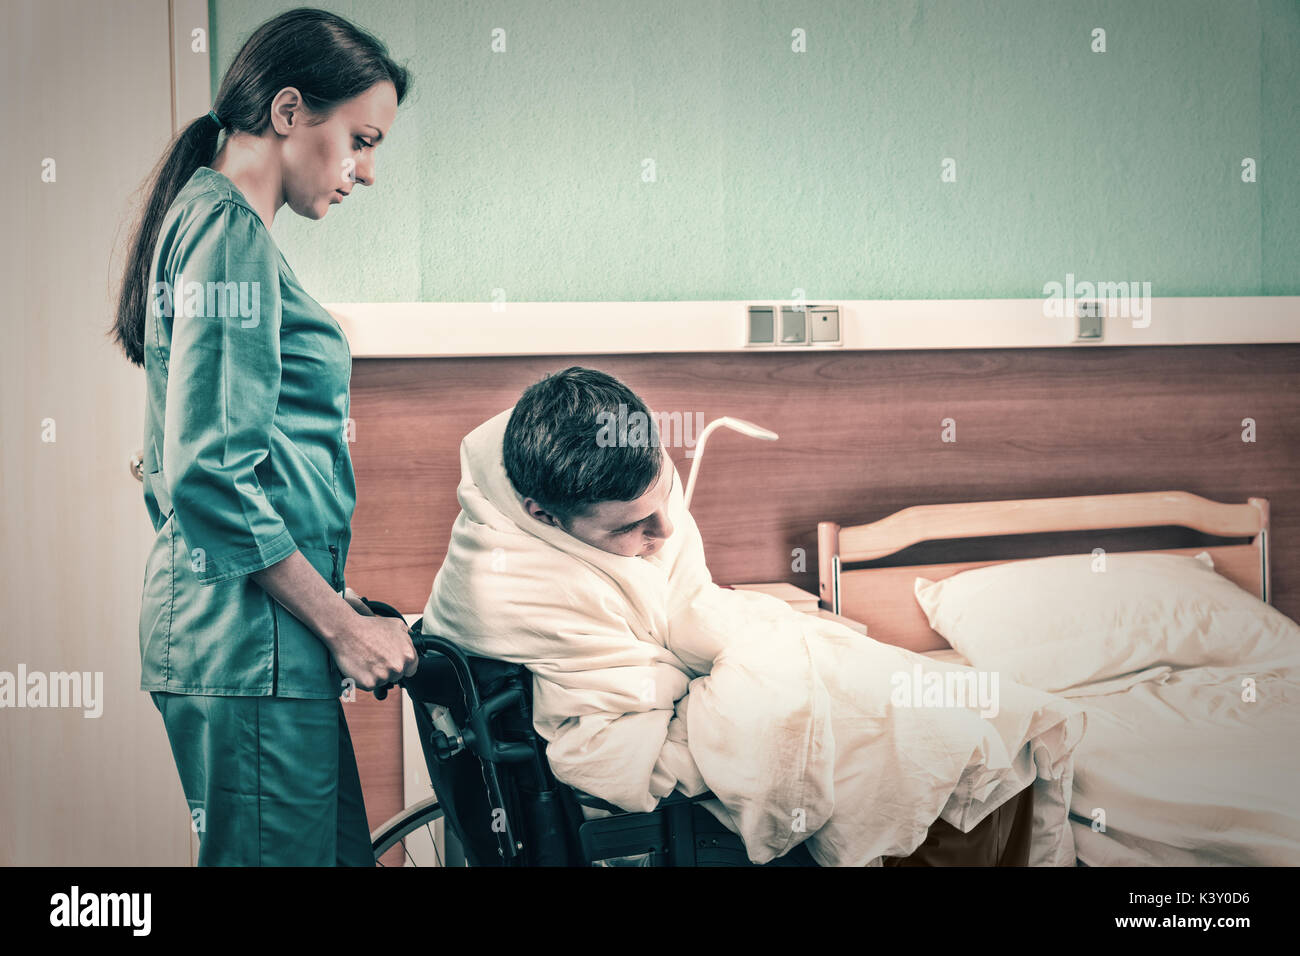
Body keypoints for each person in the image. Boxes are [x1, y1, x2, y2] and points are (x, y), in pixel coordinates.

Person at [423, 367, 1084, 866]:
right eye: (632, 527)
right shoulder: (513, 584)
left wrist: (742, 642)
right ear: (542, 515)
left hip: (695, 684)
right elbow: (617, 750)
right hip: (652, 750)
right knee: (948, 752)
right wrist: (751, 673)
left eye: (666, 497)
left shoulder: (594, 493)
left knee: (982, 720)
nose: (666, 530)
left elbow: (683, 601)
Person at [112, 8, 418, 866]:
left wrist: (325, 608)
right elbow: (208, 475)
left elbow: (190, 474)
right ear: (289, 113)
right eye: (360, 139)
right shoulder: (228, 235)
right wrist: (338, 626)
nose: (365, 171)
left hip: (261, 639)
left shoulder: (220, 227)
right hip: (249, 652)